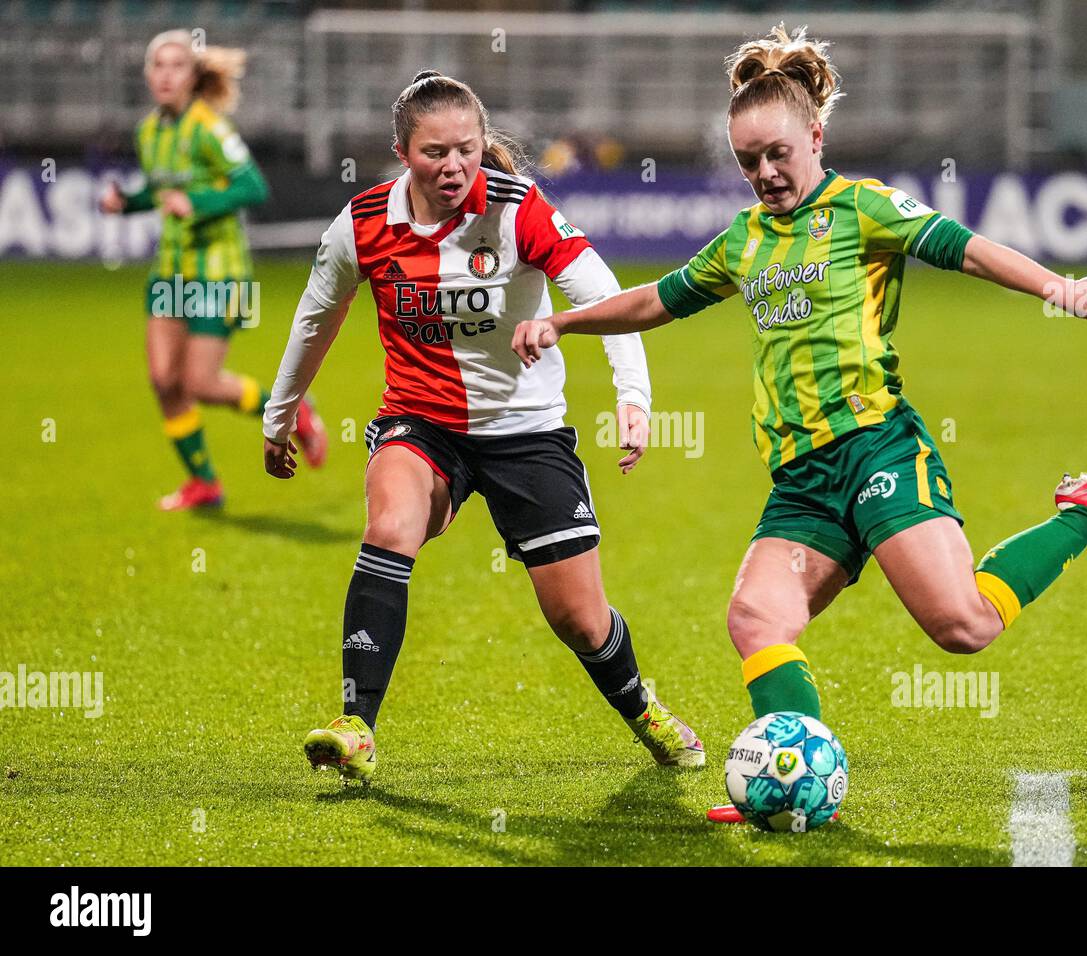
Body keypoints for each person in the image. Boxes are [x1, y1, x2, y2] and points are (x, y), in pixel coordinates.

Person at [511, 26, 1087, 817]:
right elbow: (658, 300)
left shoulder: (862, 207)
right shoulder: (744, 241)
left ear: (815, 137)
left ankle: (1085, 511)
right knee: (756, 617)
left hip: (876, 450)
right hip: (801, 483)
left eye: (777, 154)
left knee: (963, 627)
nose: (764, 173)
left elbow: (966, 249)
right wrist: (568, 321)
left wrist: (1060, 288)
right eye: (748, 160)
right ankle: (791, 782)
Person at [263, 71, 705, 785]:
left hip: (526, 431)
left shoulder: (518, 209)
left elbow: (602, 293)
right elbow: (318, 315)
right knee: (392, 524)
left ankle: (641, 707)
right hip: (420, 421)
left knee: (579, 620)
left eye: (466, 149)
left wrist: (634, 395)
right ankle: (356, 725)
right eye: (435, 152)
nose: (454, 166)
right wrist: (279, 417)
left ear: (482, 142)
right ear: (403, 151)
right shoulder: (364, 222)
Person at [100, 29, 327, 511]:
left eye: (175, 65)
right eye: (157, 65)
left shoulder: (209, 127)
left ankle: (296, 415)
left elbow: (252, 187)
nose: (165, 74)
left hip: (222, 274)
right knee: (164, 380)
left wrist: (199, 203)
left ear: (193, 75)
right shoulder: (148, 133)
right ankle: (204, 482)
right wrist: (128, 203)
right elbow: (161, 193)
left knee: (200, 383)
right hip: (170, 271)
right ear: (147, 75)